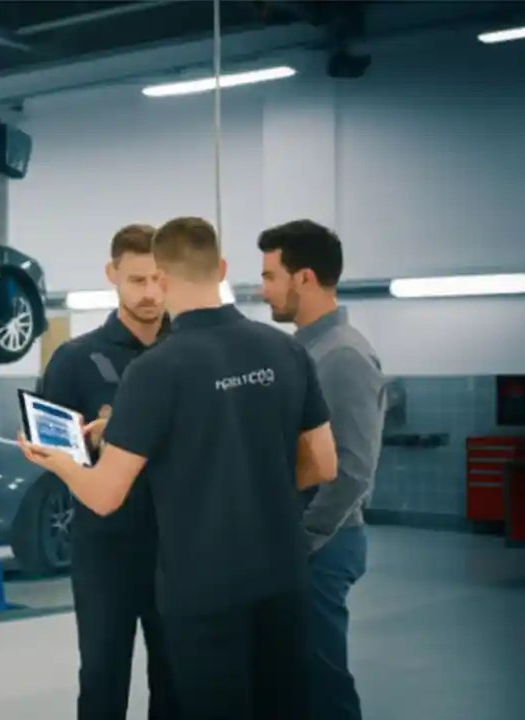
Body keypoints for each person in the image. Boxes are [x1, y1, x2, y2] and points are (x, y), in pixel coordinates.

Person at [19, 217, 339, 720]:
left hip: (199, 576)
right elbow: (323, 462)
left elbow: (104, 494)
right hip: (280, 573)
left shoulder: (160, 367)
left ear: (164, 278)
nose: (148, 292)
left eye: (153, 279)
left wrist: (55, 459)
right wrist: (251, 488)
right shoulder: (285, 348)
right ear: (224, 269)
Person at [37, 223, 176, 720]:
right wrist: (88, 445)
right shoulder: (74, 360)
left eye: (161, 279)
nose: (151, 293)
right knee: (102, 677)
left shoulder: (190, 356)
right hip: (105, 550)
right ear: (112, 274)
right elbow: (51, 456)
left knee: (177, 679)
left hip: (178, 548)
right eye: (138, 280)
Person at [257, 220, 386, 720]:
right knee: (294, 678)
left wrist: (302, 539)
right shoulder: (301, 350)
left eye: (270, 276)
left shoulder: (343, 356)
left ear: (304, 278)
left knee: (321, 682)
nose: (262, 289)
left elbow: (352, 470)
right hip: (299, 540)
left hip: (322, 546)